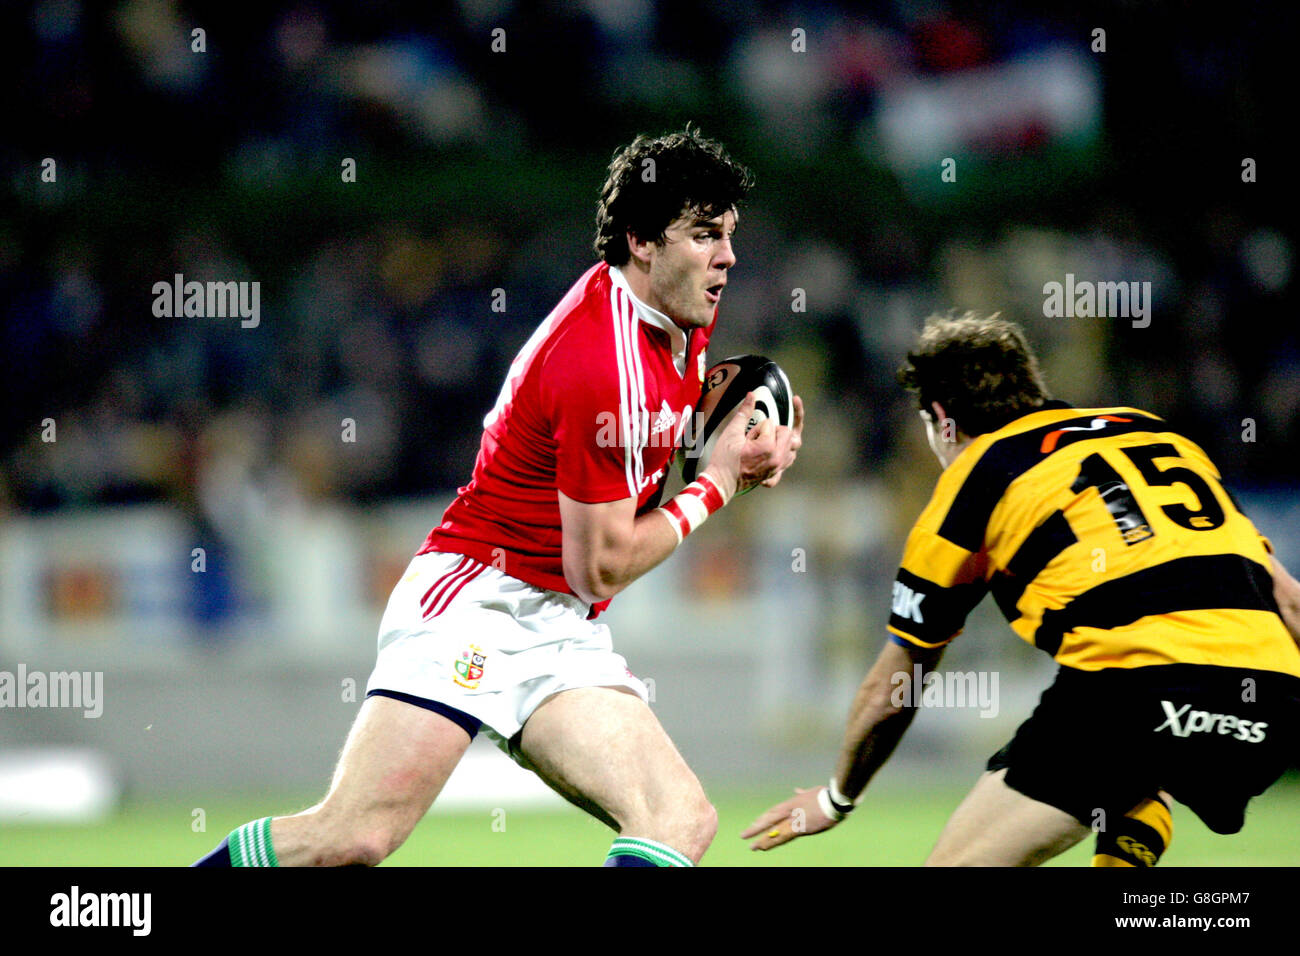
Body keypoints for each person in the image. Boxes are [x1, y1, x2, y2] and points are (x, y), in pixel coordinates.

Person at [193, 125, 803, 868]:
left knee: (677, 817)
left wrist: (725, 445)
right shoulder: (597, 361)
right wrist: (719, 483)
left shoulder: (679, 323)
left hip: (558, 620)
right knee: (349, 839)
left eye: (730, 235)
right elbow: (602, 567)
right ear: (642, 240)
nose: (728, 257)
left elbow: (633, 476)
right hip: (477, 600)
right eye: (705, 235)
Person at [743, 312, 1300, 866]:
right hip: (1271, 698)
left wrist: (838, 797)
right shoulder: (1153, 432)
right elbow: (1287, 598)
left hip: (1131, 695)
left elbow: (895, 681)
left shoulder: (976, 475)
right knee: (1136, 766)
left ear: (941, 417)